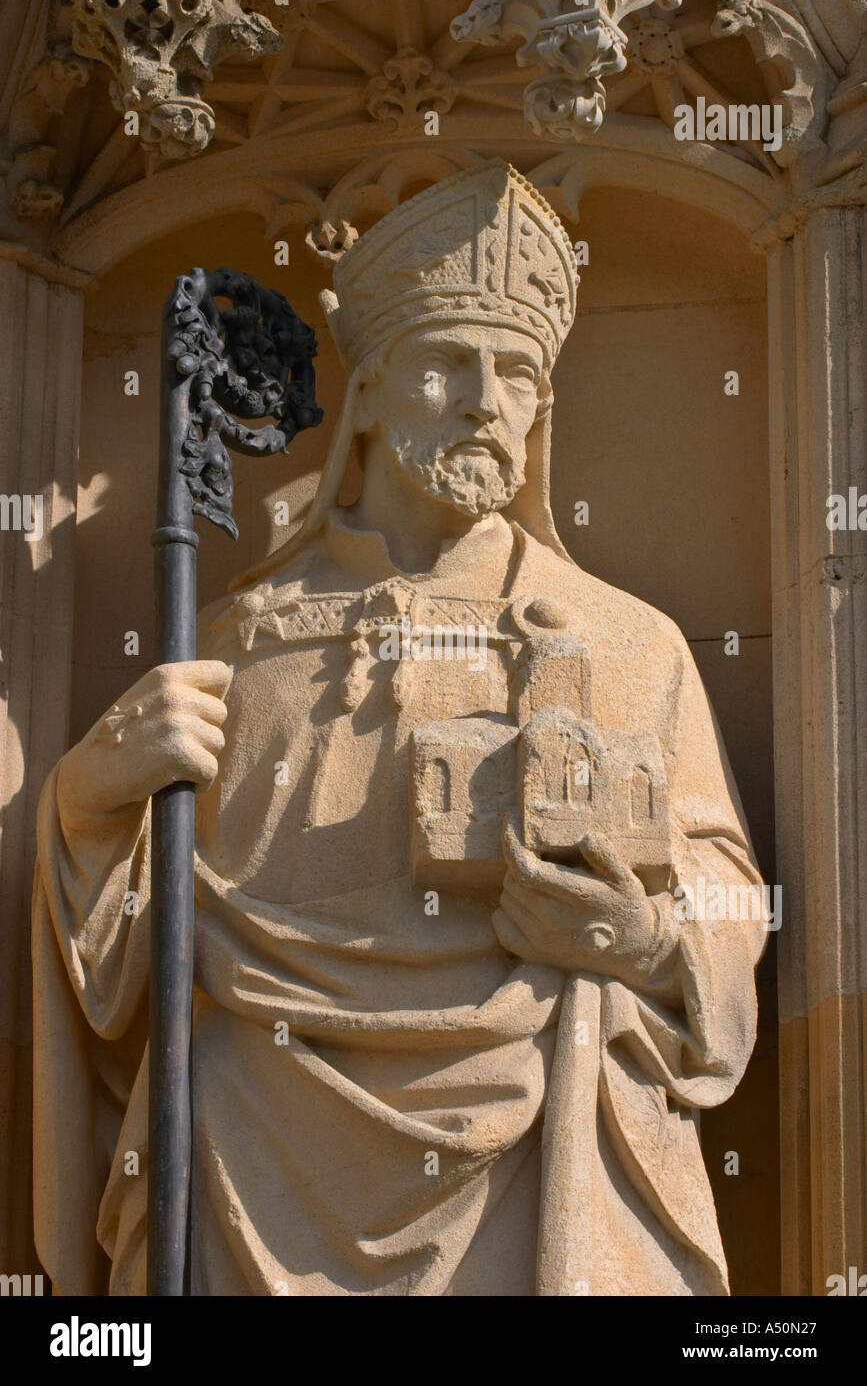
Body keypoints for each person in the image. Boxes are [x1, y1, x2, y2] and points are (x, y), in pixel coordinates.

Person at [33, 161, 766, 1296]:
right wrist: (87, 800)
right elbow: (130, 969)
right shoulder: (235, 646)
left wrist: (643, 941)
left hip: (545, 1156)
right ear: (367, 393)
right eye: (446, 363)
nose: (487, 400)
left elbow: (727, 897)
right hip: (248, 1161)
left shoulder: (631, 645)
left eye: (517, 372)